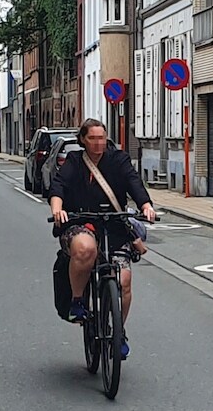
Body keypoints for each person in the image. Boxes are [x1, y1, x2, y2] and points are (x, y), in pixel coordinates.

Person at [49, 118, 157, 358]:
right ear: (83, 140)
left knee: (125, 281)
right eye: (92, 138)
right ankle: (78, 301)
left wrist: (146, 205)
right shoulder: (75, 161)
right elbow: (58, 186)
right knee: (86, 250)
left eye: (101, 138)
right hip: (80, 222)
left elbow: (133, 182)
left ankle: (119, 332)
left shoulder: (118, 160)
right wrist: (57, 208)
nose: (98, 143)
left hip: (115, 225)